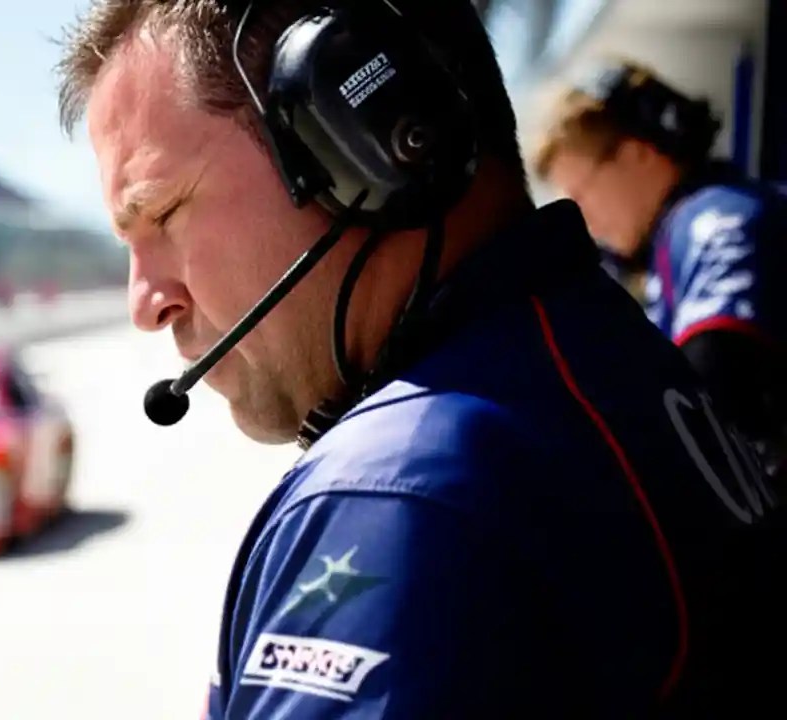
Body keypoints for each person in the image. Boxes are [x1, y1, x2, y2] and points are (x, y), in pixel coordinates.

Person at [56, 1, 787, 717]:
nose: (144, 301)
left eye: (163, 212)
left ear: (367, 140)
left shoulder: (402, 494)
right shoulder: (607, 357)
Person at [534, 59, 787, 475]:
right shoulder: (674, 244)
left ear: (637, 155)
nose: (584, 219)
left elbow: (718, 388)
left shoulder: (715, 220)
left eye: (581, 193)